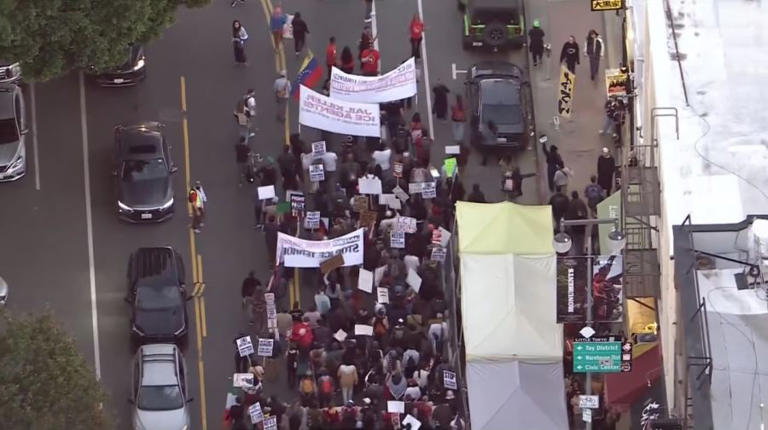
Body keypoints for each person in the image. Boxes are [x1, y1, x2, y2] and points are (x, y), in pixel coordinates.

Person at [566, 191, 588, 255]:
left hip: (574, 225)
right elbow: (585, 213)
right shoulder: (581, 202)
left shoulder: (571, 203)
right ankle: (580, 252)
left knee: (575, 239)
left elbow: (568, 214)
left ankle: (577, 253)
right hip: (582, 225)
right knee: (581, 239)